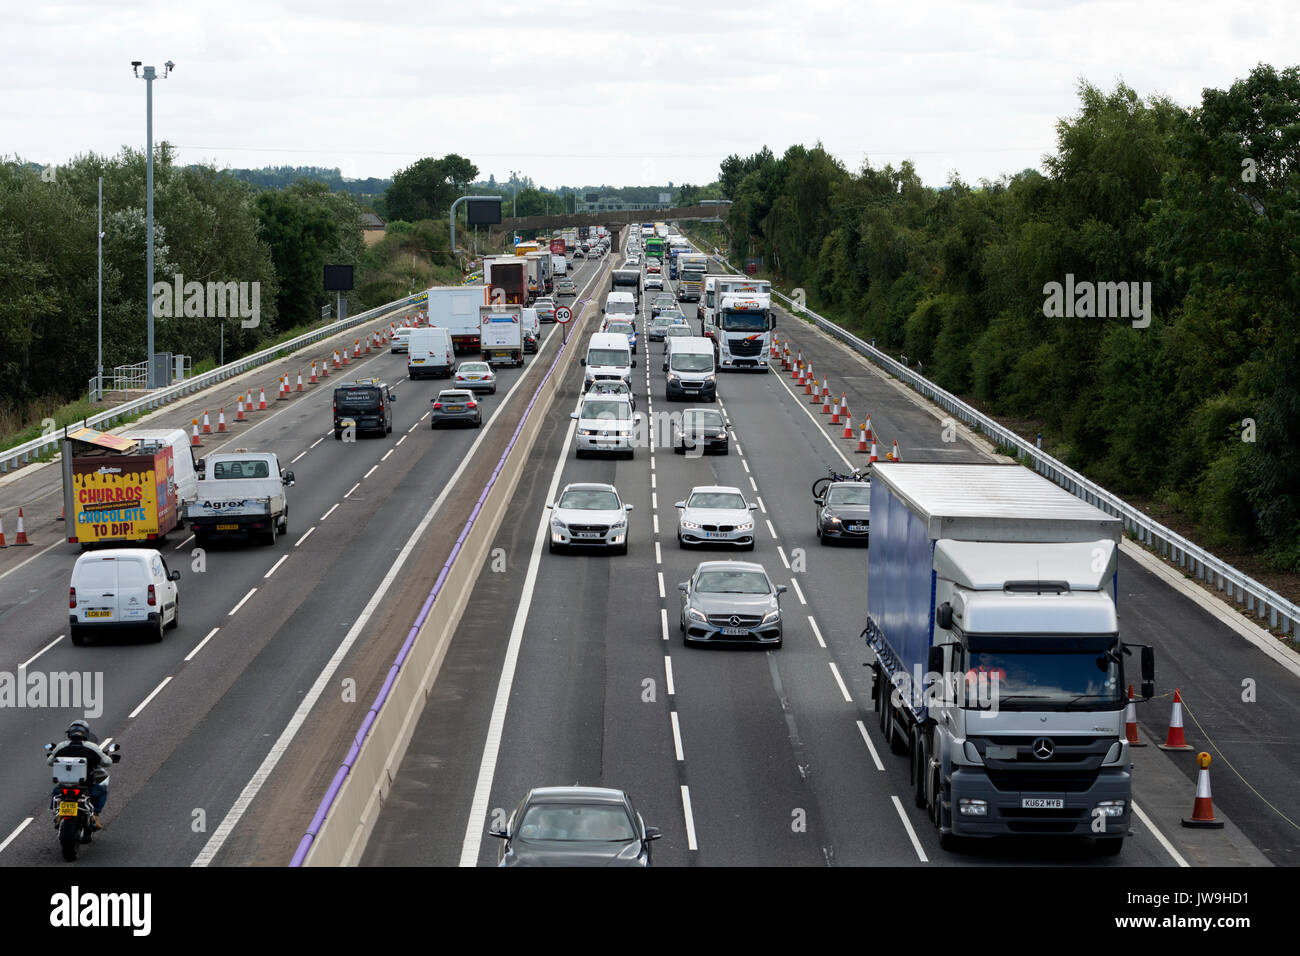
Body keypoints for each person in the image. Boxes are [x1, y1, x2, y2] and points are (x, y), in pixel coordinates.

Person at [47, 720, 115, 830]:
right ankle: (95, 817)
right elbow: (106, 762)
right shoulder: (92, 747)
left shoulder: (60, 746)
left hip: (64, 786)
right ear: (86, 733)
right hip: (86, 786)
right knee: (102, 790)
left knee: (56, 791)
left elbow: (50, 762)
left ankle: (58, 815)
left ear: (69, 733)